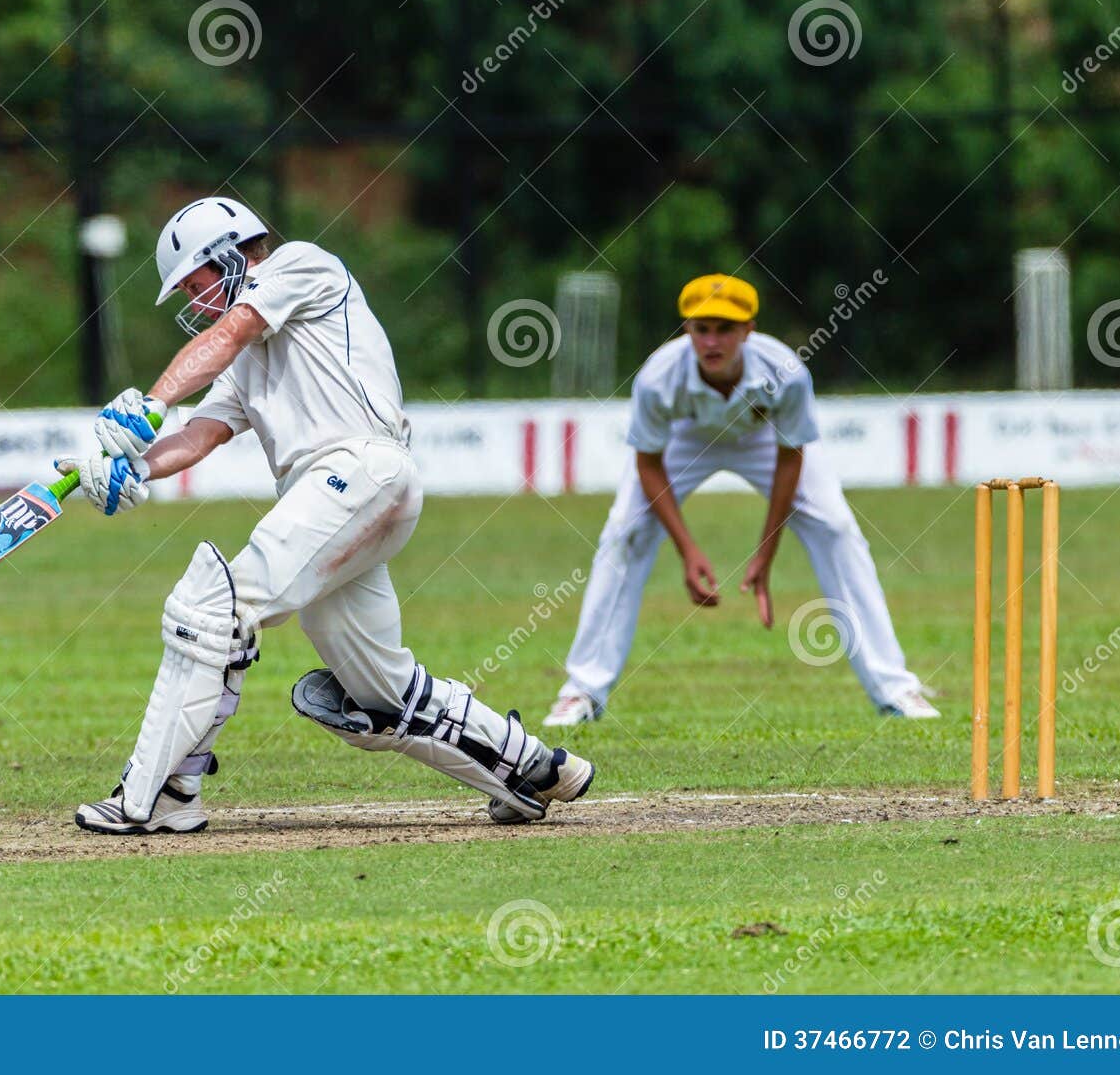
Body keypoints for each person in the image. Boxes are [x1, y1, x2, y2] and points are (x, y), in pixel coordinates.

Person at [57, 196, 595, 833]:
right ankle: (536, 768)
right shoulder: (245, 360)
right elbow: (199, 435)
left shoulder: (300, 266)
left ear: (232, 256)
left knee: (210, 611)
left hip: (360, 471)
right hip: (340, 505)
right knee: (381, 696)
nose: (194, 303)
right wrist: (133, 469)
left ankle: (158, 798)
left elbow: (227, 333)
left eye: (196, 285)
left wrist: (145, 405)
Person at [544, 272, 938, 728]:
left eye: (725, 328)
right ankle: (582, 692)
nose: (712, 340)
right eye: (701, 328)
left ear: (748, 330)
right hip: (685, 439)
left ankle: (895, 688)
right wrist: (687, 550)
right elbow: (649, 466)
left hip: (762, 440)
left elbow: (790, 457)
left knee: (835, 526)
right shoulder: (657, 377)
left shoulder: (784, 370)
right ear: (686, 330)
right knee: (624, 531)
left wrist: (766, 552)